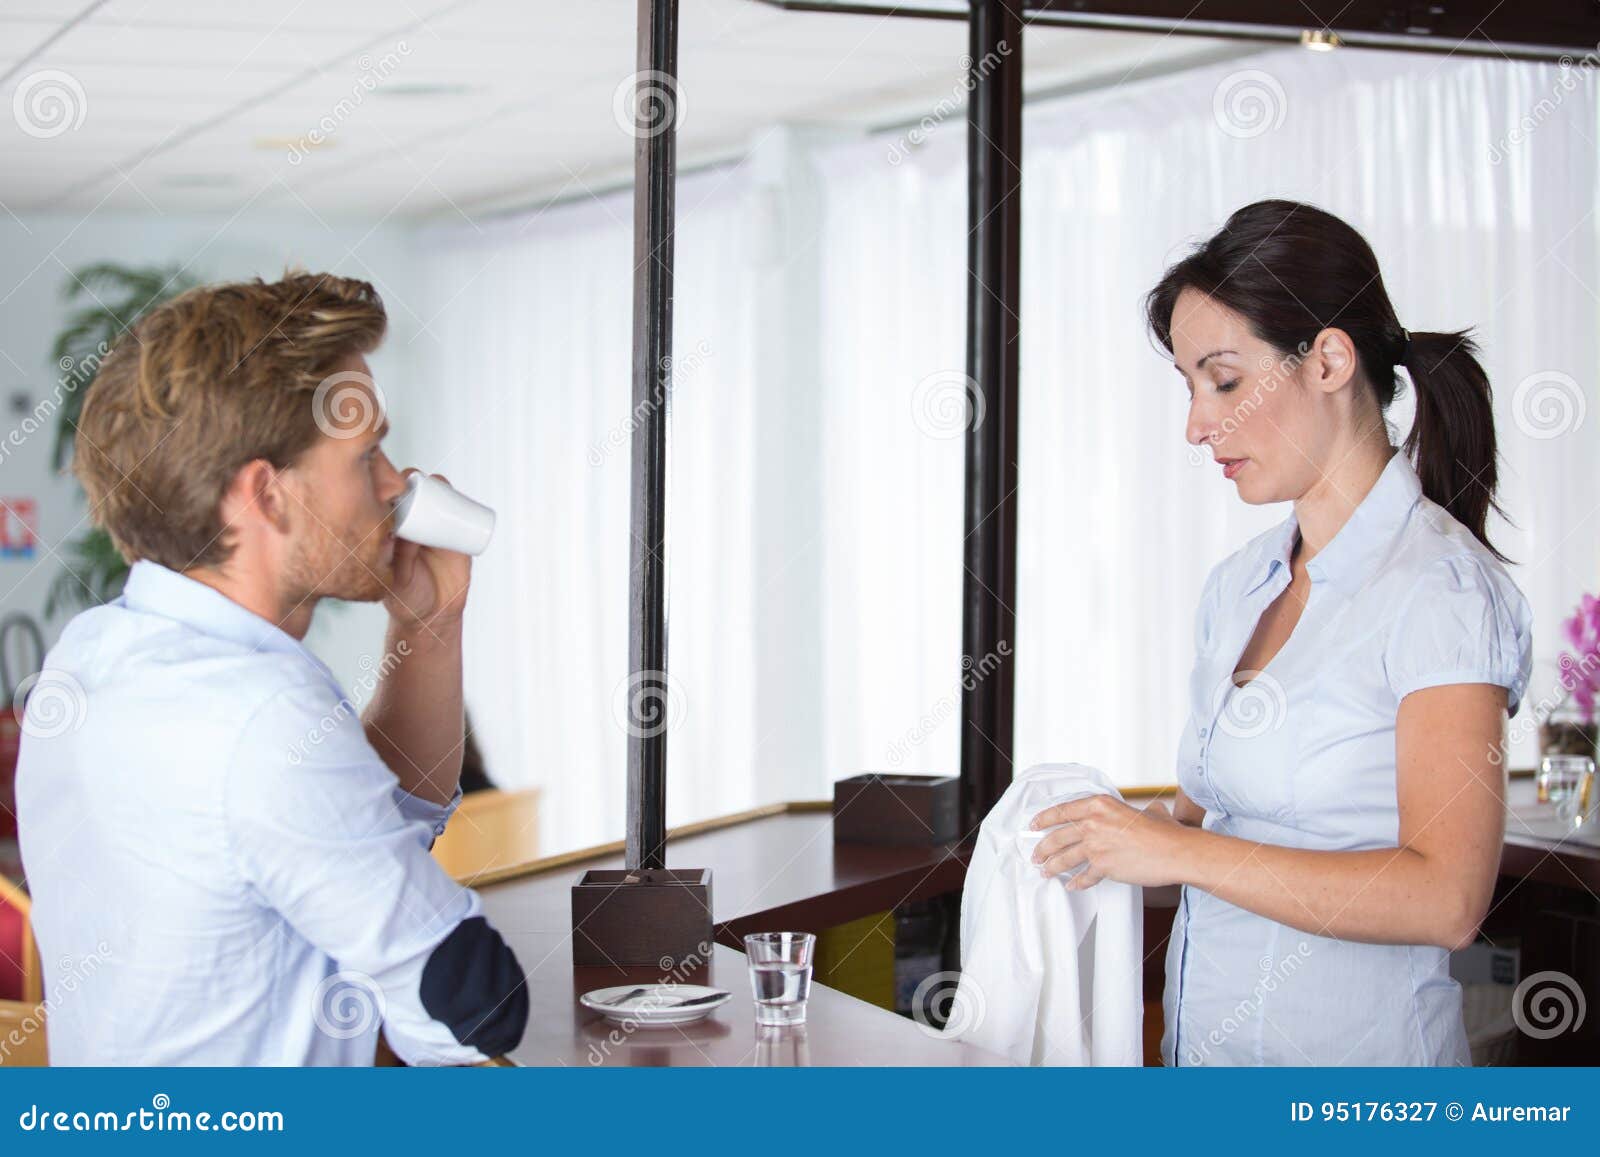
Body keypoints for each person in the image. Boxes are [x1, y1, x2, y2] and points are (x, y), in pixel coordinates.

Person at [1025, 200, 1532, 1066]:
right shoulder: (1239, 587)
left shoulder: (1438, 592)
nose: (1195, 423)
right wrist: (1093, 834)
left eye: (1222, 380)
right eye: (1188, 387)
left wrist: (1175, 849)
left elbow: (1446, 898)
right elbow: (1205, 815)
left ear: (1329, 359)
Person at [15, 272, 528, 1065]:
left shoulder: (90, 655)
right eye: (367, 457)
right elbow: (474, 1010)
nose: (398, 485)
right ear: (268, 495)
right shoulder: (257, 712)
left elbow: (365, 830)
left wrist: (428, 625)